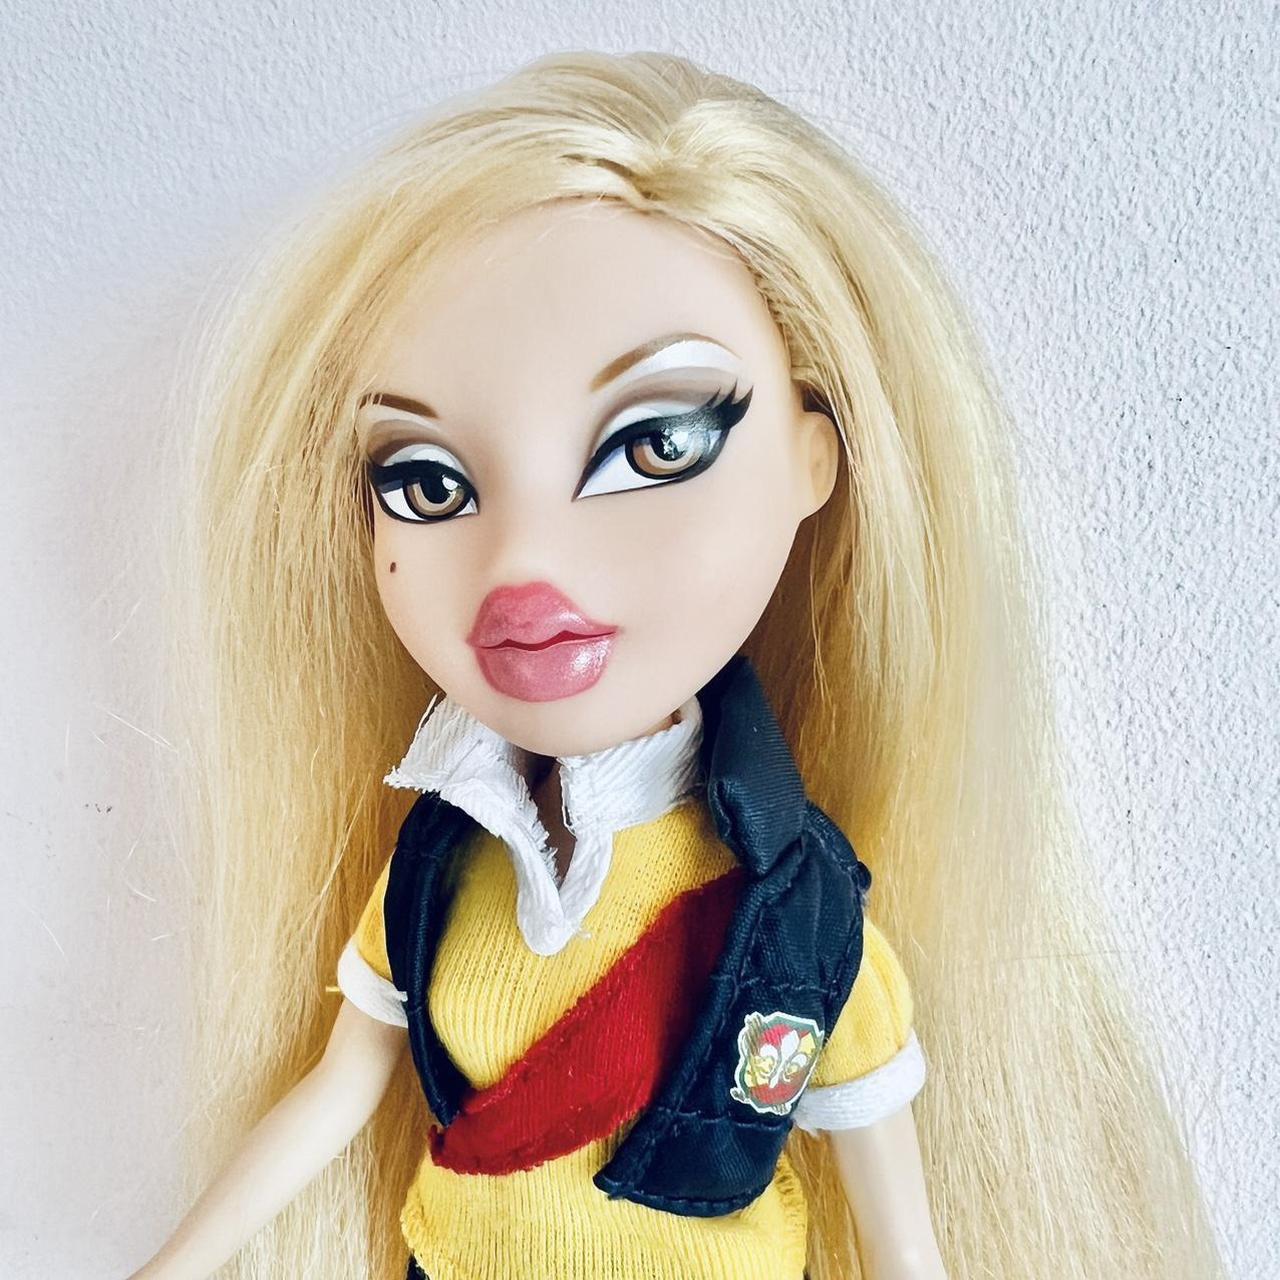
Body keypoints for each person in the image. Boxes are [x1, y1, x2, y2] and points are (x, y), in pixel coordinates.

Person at [128, 49, 1222, 1280]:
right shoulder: (436, 861)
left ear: (813, 459)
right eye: (426, 482)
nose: (522, 560)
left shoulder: (795, 912)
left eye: (652, 447)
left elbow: (899, 1235)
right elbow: (338, 1093)